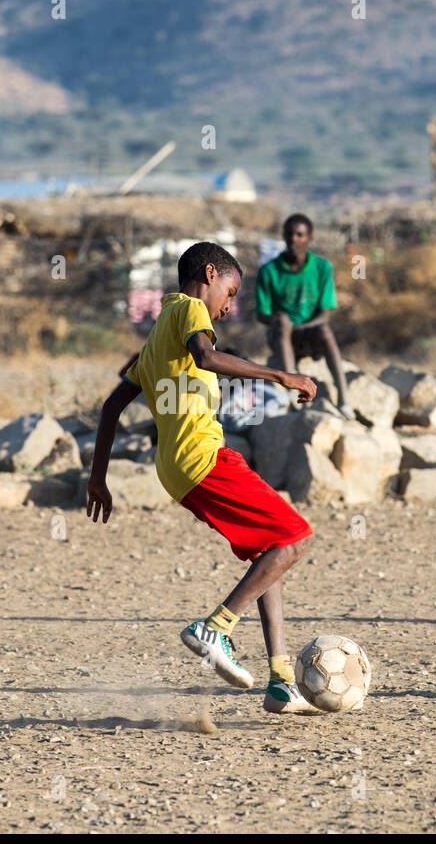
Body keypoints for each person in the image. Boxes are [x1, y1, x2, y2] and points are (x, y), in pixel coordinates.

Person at [86, 242, 322, 714]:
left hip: (175, 469)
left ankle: (279, 681)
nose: (229, 305)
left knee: (270, 549)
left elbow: (112, 406)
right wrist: (281, 375)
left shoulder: (158, 332)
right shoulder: (193, 311)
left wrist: (98, 479)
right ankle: (215, 627)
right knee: (297, 538)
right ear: (209, 274)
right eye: (230, 292)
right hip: (204, 459)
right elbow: (207, 358)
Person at [256, 213, 354, 418]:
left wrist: (302, 327)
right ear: (283, 236)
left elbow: (325, 313)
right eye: (290, 234)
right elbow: (262, 313)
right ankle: (295, 394)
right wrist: (279, 322)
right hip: (282, 337)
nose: (294, 239)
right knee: (282, 321)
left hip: (310, 334)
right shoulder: (269, 271)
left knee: (325, 330)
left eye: (300, 235)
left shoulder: (321, 267)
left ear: (309, 238)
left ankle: (344, 399)